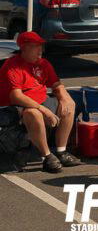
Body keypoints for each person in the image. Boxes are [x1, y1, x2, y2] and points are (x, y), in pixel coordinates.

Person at [0, 32, 81, 173]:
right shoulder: (12, 65)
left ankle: (61, 151)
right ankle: (47, 156)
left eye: (41, 46)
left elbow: (57, 85)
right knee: (34, 114)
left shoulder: (44, 63)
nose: (40, 50)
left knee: (69, 105)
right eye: (35, 47)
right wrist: (45, 110)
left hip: (41, 100)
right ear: (24, 48)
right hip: (17, 107)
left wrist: (64, 97)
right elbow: (16, 96)